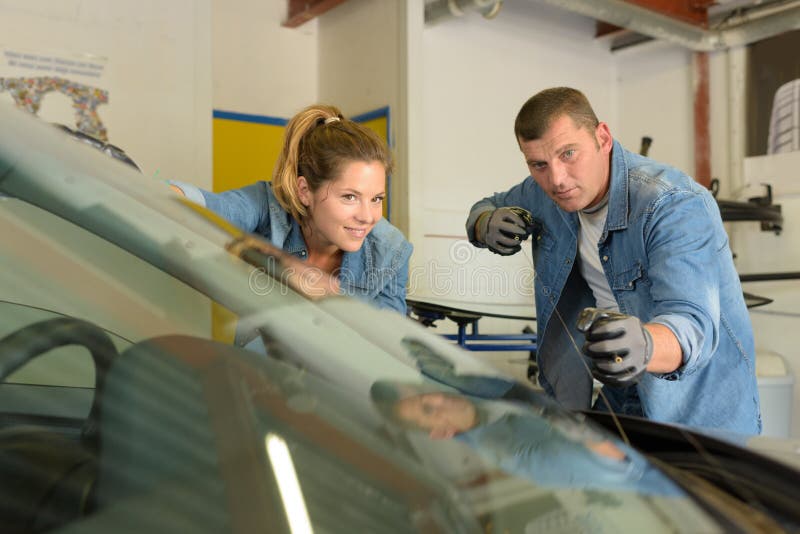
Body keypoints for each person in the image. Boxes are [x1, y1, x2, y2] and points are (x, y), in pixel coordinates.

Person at [465, 87, 760, 435]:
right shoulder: (543, 192)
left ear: (602, 138)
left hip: (696, 406)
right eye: (539, 164)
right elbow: (486, 204)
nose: (556, 179)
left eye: (569, 153)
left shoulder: (672, 204)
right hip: (620, 389)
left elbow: (693, 325)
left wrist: (646, 344)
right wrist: (484, 224)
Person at [171, 104, 413, 314]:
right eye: (350, 197)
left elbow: (390, 348)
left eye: (377, 199)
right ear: (305, 191)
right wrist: (161, 192)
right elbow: (211, 206)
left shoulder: (392, 251)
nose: (368, 217)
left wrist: (325, 294)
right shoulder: (267, 206)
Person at [370, 380, 681, 497]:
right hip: (667, 484)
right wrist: (578, 432)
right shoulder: (508, 451)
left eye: (428, 395)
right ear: (440, 433)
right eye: (428, 410)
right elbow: (614, 464)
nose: (439, 400)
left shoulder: (480, 398)